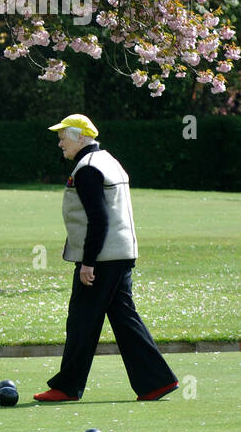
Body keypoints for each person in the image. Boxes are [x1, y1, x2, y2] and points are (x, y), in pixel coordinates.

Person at [34, 114, 178, 403]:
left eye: (64, 136)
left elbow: (98, 220)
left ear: (81, 137)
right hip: (121, 254)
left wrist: (88, 263)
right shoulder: (108, 160)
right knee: (124, 319)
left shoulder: (87, 169)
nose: (60, 142)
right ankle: (156, 382)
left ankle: (67, 386)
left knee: (81, 320)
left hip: (102, 259)